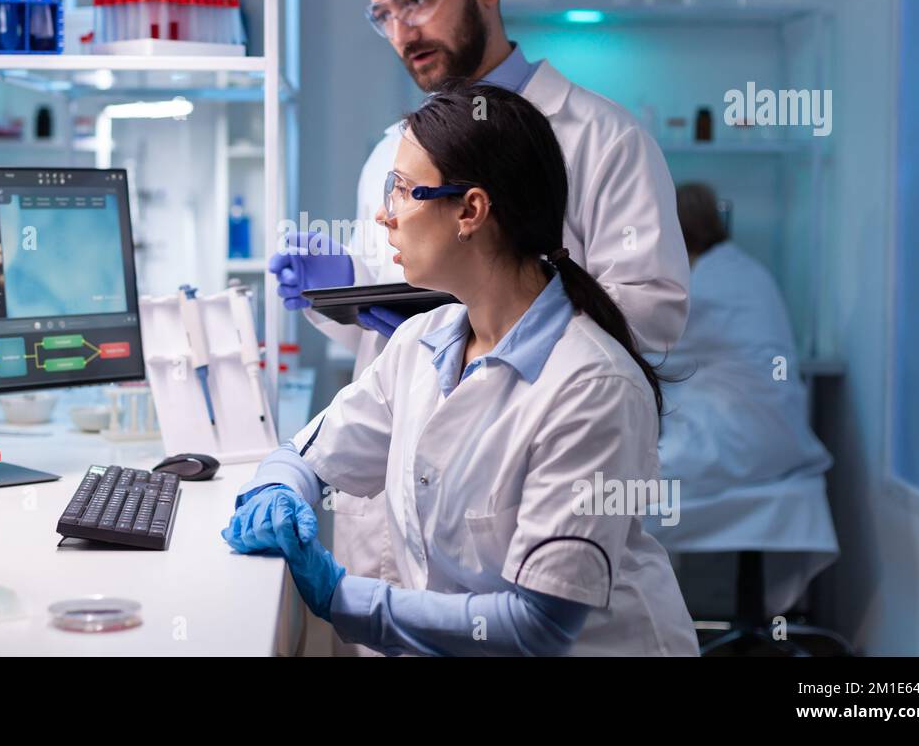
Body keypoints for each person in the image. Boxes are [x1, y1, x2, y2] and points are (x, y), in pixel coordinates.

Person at [268, 0, 690, 612]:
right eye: (383, 15)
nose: (403, 31)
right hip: (399, 517)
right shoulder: (394, 149)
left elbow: (651, 317)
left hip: (524, 494)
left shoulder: (602, 139)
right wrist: (344, 295)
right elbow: (389, 341)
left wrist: (485, 313)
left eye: (416, 1)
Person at [227, 83, 698, 657]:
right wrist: (279, 490)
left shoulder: (591, 387)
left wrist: (340, 598)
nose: (384, 214)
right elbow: (308, 454)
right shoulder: (423, 341)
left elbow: (537, 624)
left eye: (402, 190)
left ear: (471, 210)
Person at [645, 183, 838, 616]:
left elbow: (643, 348)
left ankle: (638, 632)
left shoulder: (702, 285)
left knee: (623, 497)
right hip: (772, 440)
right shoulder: (742, 269)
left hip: (739, 443)